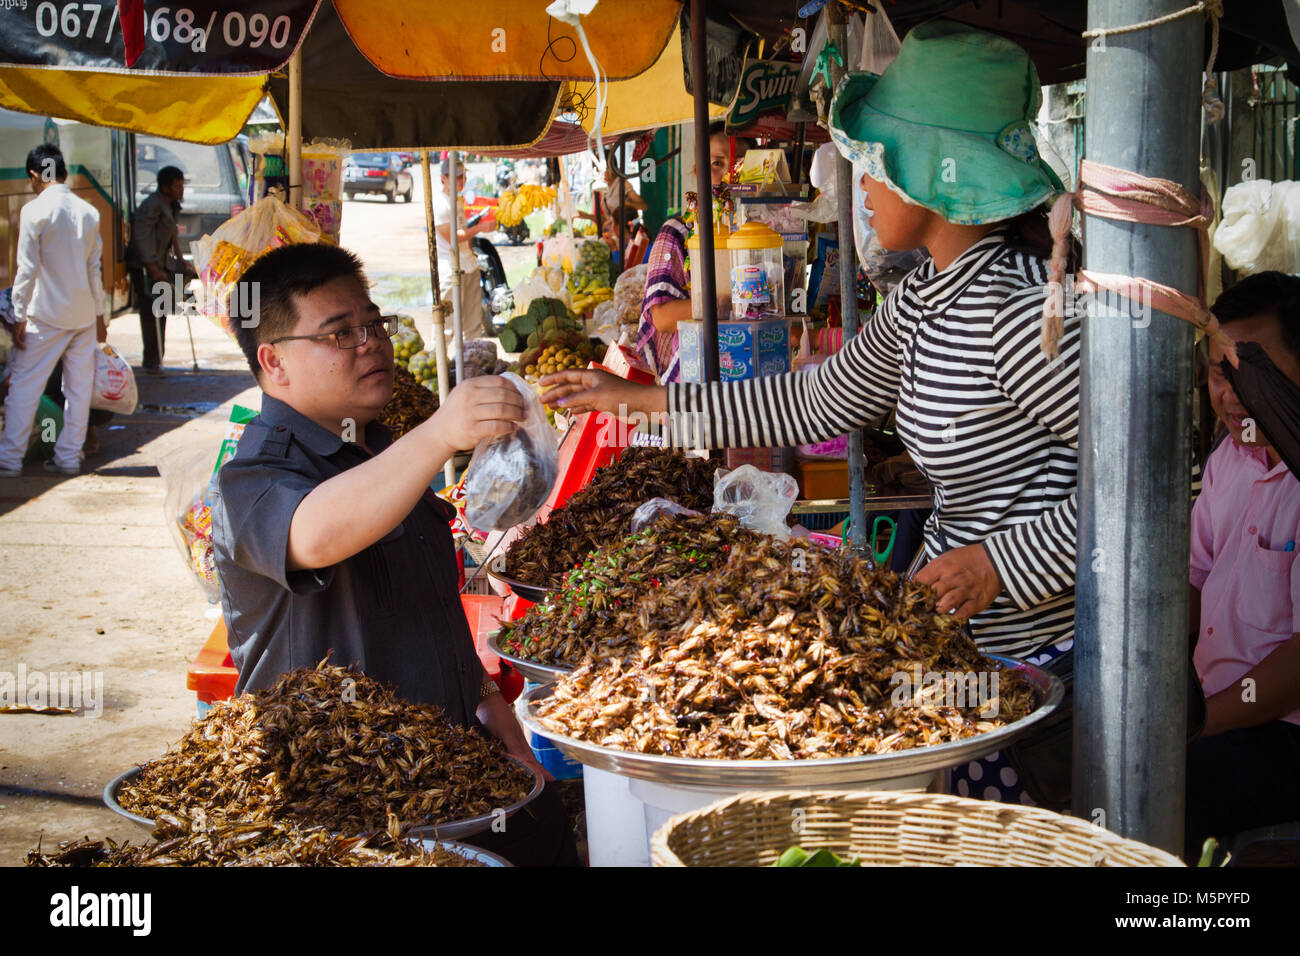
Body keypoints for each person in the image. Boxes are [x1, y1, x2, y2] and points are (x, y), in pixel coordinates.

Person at [544, 22, 1080, 804]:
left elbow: (1147, 488)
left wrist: (1001, 560)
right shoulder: (924, 299)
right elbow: (808, 398)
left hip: (1047, 663)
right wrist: (640, 399)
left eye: (873, 165)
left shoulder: (1019, 307)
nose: (859, 186)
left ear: (932, 175)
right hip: (964, 652)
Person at [211, 242, 576, 866]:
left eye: (373, 323)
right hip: (336, 804)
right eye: (339, 333)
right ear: (274, 363)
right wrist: (440, 433)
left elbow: (433, 613)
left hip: (448, 773)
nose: (370, 342)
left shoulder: (380, 451)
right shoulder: (252, 476)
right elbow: (316, 533)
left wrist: (499, 720)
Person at [1185, 271, 1300, 860]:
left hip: (1285, 733)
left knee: (1166, 785)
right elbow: (1193, 583)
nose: (1230, 394)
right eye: (1217, 371)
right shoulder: (1230, 458)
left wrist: (1198, 723)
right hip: (1221, 707)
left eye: (1249, 369)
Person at [0, 145, 106, 478]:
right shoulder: (88, 212)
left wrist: (18, 315)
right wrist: (100, 318)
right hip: (84, 317)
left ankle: (8, 461)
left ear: (35, 175)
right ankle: (68, 460)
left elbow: (26, 270)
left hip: (45, 317)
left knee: (24, 388)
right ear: (62, 172)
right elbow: (94, 271)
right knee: (77, 390)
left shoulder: (35, 212)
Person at [636, 121, 750, 383]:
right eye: (717, 163)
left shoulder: (763, 231)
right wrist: (738, 299)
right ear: (698, 170)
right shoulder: (678, 232)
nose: (729, 175)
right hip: (694, 383)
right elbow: (662, 317)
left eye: (740, 165)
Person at [129, 164, 191, 374]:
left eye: (182, 185)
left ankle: (157, 358)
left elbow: (172, 233)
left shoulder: (171, 205)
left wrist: (180, 259)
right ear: (164, 187)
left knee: (161, 311)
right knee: (151, 313)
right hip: (146, 266)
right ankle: (152, 361)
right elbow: (142, 236)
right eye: (177, 186)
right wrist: (152, 267)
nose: (180, 190)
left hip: (161, 265)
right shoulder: (152, 205)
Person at [433, 153, 493, 345]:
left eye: (463, 176)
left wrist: (471, 252)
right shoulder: (441, 204)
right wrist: (480, 228)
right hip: (450, 270)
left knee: (473, 326)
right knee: (447, 327)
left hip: (468, 267)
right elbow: (452, 237)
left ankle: (471, 366)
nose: (462, 181)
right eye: (457, 177)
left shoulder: (457, 201)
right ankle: (437, 369)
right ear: (444, 178)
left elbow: (462, 233)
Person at [577, 163, 647, 237]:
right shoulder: (604, 188)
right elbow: (606, 218)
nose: (597, 173)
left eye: (599, 170)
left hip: (624, 235)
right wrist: (587, 216)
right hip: (610, 234)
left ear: (610, 169)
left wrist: (627, 204)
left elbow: (644, 206)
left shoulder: (623, 184)